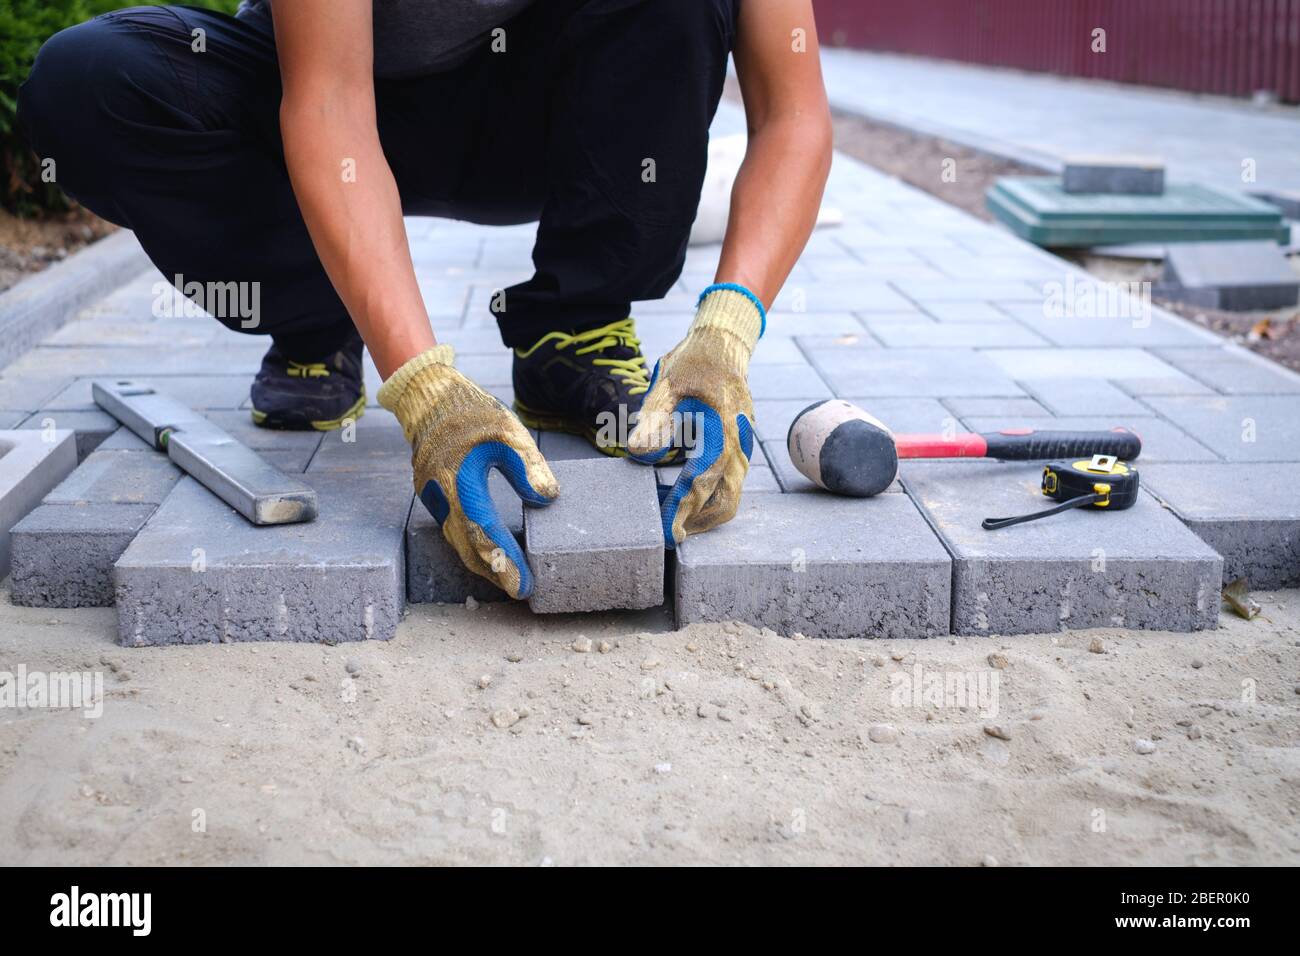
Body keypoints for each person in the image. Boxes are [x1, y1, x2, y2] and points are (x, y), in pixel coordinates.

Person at [17, 0, 832, 599]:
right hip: (323, 96)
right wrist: (425, 391)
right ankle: (321, 311)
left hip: (538, 111)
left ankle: (574, 331)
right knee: (85, 84)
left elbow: (794, 112)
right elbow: (329, 101)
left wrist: (728, 330)